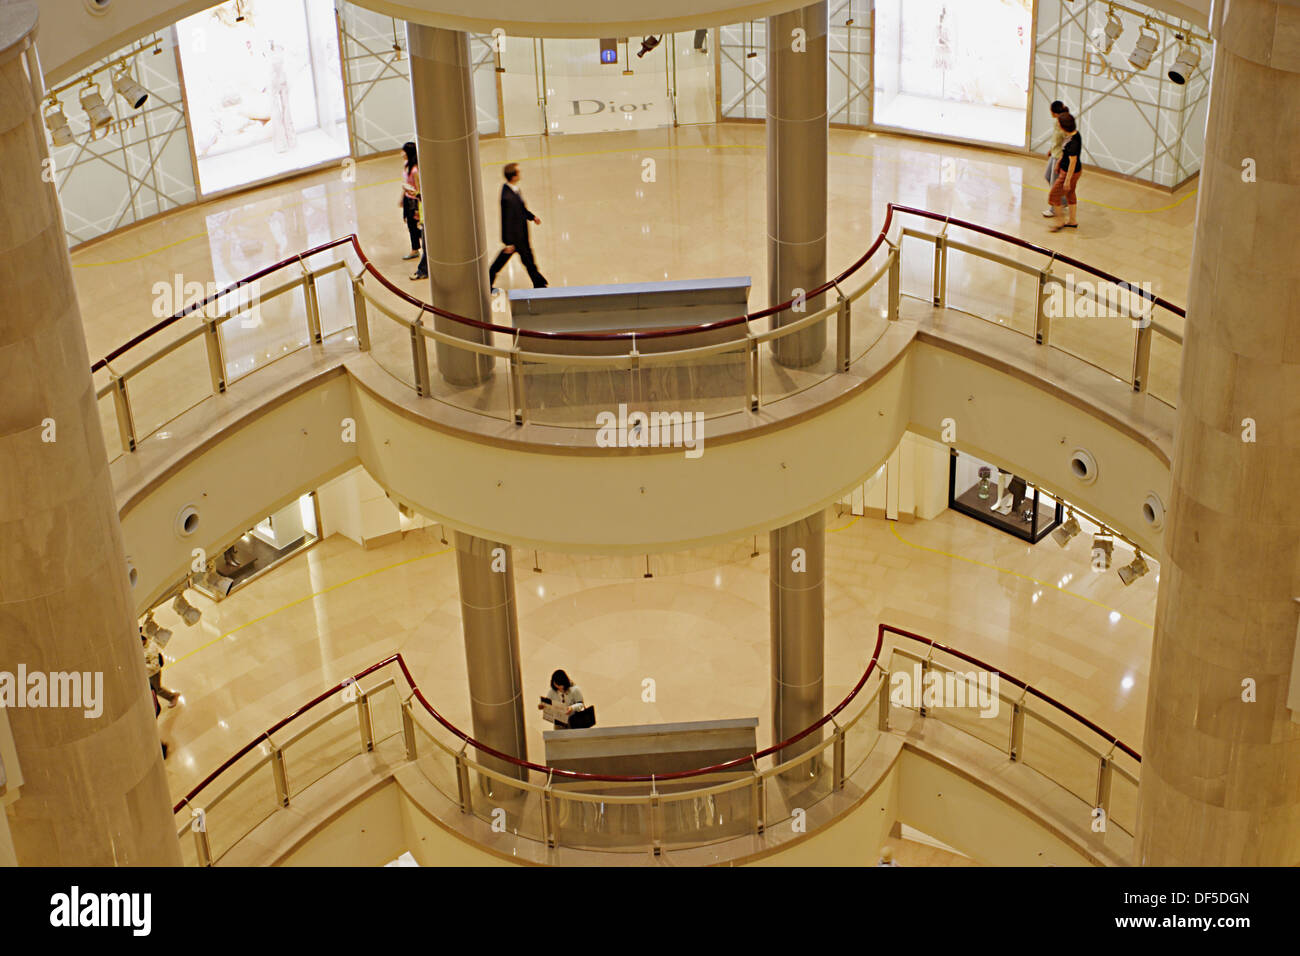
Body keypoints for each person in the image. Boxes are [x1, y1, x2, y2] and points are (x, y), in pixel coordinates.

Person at [488, 163, 547, 291]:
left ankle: (539, 283)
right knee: (502, 263)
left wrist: (532, 217)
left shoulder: (514, 190)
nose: (520, 174)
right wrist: (508, 242)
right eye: (518, 172)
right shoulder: (507, 198)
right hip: (515, 239)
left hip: (521, 235)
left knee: (529, 261)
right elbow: (506, 220)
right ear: (514, 176)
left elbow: (521, 209)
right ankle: (539, 284)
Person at [1048, 113, 1082, 233]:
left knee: (1054, 195)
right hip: (1072, 171)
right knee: (1070, 194)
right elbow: (1065, 153)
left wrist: (1067, 180)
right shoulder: (1073, 135)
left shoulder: (1073, 143)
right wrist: (1059, 163)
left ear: (1063, 127)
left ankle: (1059, 222)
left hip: (1069, 173)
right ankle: (1072, 221)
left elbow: (1073, 161)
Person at [1041, 101, 1069, 218]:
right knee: (1048, 176)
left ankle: (1054, 208)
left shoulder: (1063, 125)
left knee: (1054, 184)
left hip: (1059, 157)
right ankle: (1063, 201)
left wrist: (1061, 159)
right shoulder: (1056, 123)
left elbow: (1066, 142)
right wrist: (1051, 149)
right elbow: (1056, 139)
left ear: (1054, 112)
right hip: (1054, 154)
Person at [142, 627, 180, 709]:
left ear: (144, 640)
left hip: (154, 673)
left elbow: (154, 666)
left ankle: (172, 697)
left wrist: (142, 666)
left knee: (157, 689)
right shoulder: (142, 647)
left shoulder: (151, 649)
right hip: (148, 673)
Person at [400, 142, 422, 264]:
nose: (401, 153)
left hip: (413, 201)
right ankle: (416, 247)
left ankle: (416, 248)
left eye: (403, 151)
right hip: (407, 198)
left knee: (414, 225)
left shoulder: (414, 170)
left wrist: (418, 208)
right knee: (410, 224)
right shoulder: (406, 165)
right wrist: (402, 198)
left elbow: (419, 189)